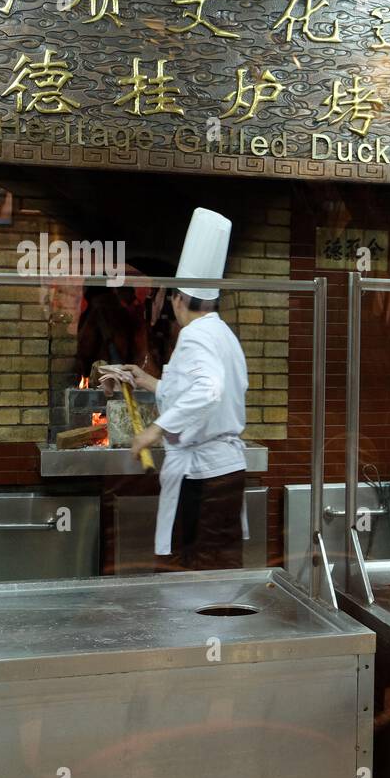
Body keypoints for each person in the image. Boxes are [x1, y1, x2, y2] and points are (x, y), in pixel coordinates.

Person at [101, 208, 249, 571]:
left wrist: (154, 429)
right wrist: (148, 381)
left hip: (203, 477)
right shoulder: (221, 333)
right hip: (223, 471)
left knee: (192, 574)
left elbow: (208, 391)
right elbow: (200, 390)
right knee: (217, 571)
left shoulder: (195, 335)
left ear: (179, 300)